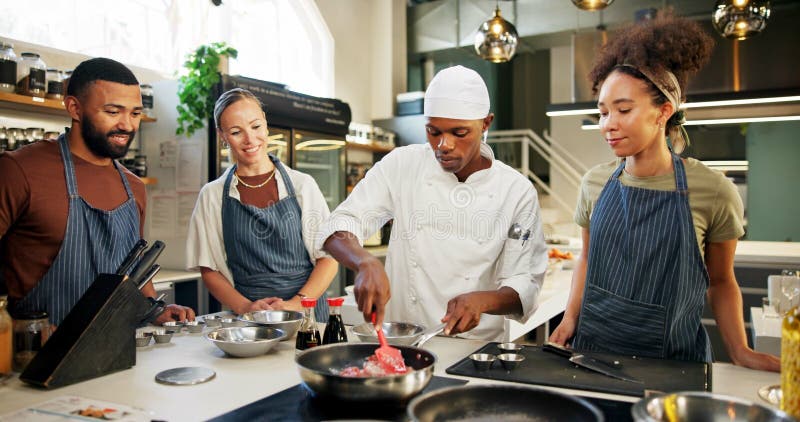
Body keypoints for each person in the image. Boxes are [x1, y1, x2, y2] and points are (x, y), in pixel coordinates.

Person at [547, 13, 779, 371]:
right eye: (603, 112)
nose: (608, 124)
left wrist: (740, 350)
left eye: (623, 110)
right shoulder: (594, 183)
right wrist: (569, 320)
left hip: (673, 365)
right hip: (592, 356)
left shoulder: (713, 191)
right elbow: (587, 260)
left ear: (663, 112)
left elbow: (721, 281)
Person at [317, 66, 548, 341]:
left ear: (486, 123)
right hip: (403, 340)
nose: (444, 145)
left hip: (475, 347)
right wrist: (365, 262)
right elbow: (340, 223)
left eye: (459, 133)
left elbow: (524, 282)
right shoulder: (402, 165)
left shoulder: (516, 191)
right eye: (433, 131)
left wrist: (483, 301)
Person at [0, 57, 194, 326]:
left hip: (120, 351)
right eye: (113, 112)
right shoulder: (19, 170)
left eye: (135, 113)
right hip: (39, 357)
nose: (127, 125)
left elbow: (133, 268)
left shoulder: (133, 188)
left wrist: (154, 309)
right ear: (75, 108)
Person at [186, 88, 338, 320]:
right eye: (236, 132)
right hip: (249, 321)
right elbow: (210, 270)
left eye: (256, 127)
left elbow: (328, 259)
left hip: (307, 314)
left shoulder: (302, 185)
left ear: (266, 125)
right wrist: (247, 308)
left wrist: (295, 304)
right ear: (222, 136)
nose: (250, 139)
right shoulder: (212, 195)